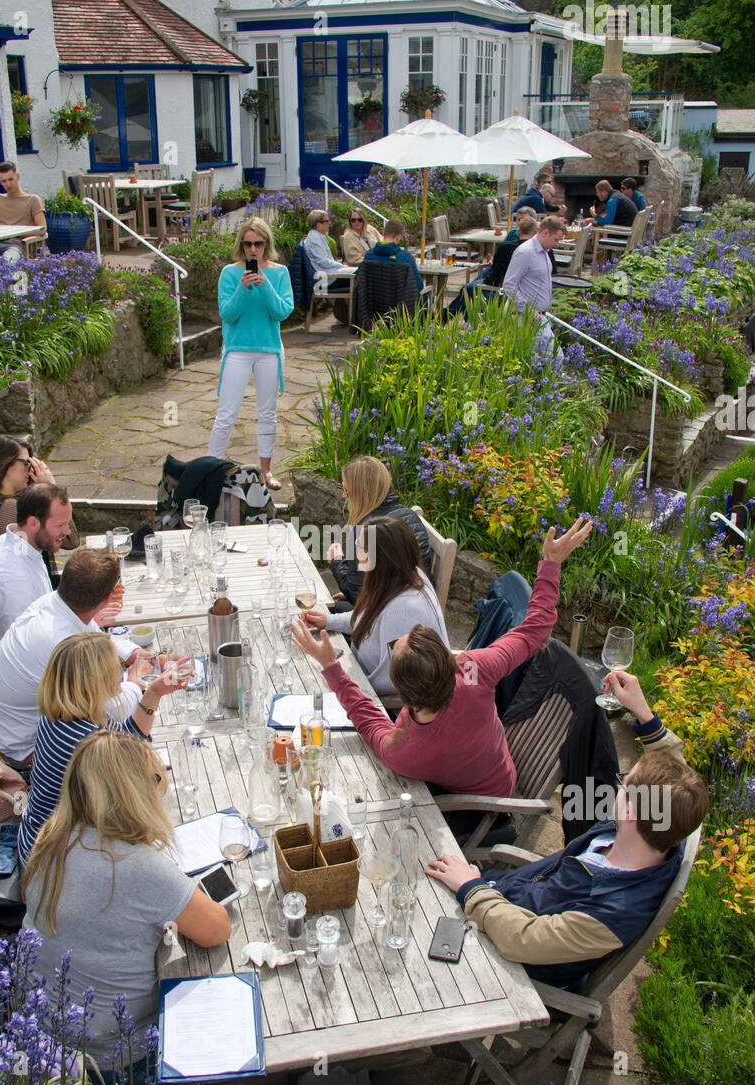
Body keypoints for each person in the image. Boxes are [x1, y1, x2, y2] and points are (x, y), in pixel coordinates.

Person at [425, 671, 709, 990]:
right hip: (502, 896)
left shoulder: (612, 911)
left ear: (630, 808)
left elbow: (524, 939)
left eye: (624, 782)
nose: (618, 786)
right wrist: (642, 710)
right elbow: (676, 775)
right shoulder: (662, 827)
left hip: (505, 961)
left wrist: (471, 888)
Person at [293, 518, 591, 795]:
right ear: (447, 656)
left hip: (480, 803)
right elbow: (534, 631)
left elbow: (368, 721)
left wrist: (332, 667)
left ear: (400, 689)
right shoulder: (475, 669)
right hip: (484, 767)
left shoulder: (406, 749)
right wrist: (550, 564)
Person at [21, 731, 230, 1085]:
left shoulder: (51, 839)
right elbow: (217, 929)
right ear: (132, 794)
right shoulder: (137, 867)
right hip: (114, 1061)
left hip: (46, 1039)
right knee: (244, 1036)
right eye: (154, 782)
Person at [17, 632, 189, 866]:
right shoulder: (88, 740)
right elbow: (137, 770)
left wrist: (153, 693)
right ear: (101, 679)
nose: (120, 670)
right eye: (116, 665)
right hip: (53, 861)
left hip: (38, 838)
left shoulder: (63, 714)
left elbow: (128, 739)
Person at [0, 547, 143, 771]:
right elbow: (111, 711)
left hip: (8, 734)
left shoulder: (54, 604)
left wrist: (135, 654)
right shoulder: (63, 643)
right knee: (134, 754)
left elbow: (94, 636)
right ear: (107, 598)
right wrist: (136, 682)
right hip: (19, 758)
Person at [301, 516, 448, 698]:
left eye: (361, 546)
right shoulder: (400, 577)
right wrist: (328, 621)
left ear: (381, 556)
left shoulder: (403, 611)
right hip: (358, 674)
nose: (356, 551)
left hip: (379, 699)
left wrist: (338, 682)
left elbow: (389, 681)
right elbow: (369, 617)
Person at [207, 215, 294, 492]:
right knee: (226, 412)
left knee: (267, 413)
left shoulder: (279, 273)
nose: (253, 249)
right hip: (237, 349)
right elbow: (227, 314)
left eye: (258, 243)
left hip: (268, 350)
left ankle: (266, 470)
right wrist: (244, 288)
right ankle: (209, 468)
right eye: (247, 244)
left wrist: (264, 284)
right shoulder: (230, 274)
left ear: (266, 243)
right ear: (241, 245)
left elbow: (282, 312)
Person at [0, 484, 74, 672]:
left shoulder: (16, 541)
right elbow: (26, 649)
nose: (67, 531)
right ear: (33, 523)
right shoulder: (12, 576)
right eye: (60, 525)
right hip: (17, 679)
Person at [0, 434, 78, 599]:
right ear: (3, 465)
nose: (30, 470)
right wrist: (50, 489)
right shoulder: (9, 509)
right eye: (27, 463)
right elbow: (71, 540)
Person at [326, 455, 431, 607]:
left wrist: (336, 560)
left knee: (317, 612)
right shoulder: (409, 515)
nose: (343, 495)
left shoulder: (367, 530)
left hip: (391, 614)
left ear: (360, 493)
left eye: (346, 489)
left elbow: (358, 598)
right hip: (417, 602)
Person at [446, 216, 538, 317]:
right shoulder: (537, 251)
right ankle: (447, 315)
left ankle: (466, 321)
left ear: (519, 231)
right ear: (535, 232)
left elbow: (495, 273)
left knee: (468, 289)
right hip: (527, 293)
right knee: (473, 284)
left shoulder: (506, 247)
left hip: (498, 291)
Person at [502, 215, 567, 353]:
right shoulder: (525, 252)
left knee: (541, 361)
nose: (557, 244)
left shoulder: (545, 252)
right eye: (556, 239)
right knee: (555, 359)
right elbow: (509, 284)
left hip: (541, 315)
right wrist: (529, 310)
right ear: (545, 233)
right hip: (528, 317)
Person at [364, 217, 423, 294]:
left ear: (383, 233)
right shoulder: (406, 258)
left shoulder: (369, 256)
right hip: (399, 304)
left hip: (374, 302)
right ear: (398, 237)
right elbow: (419, 285)